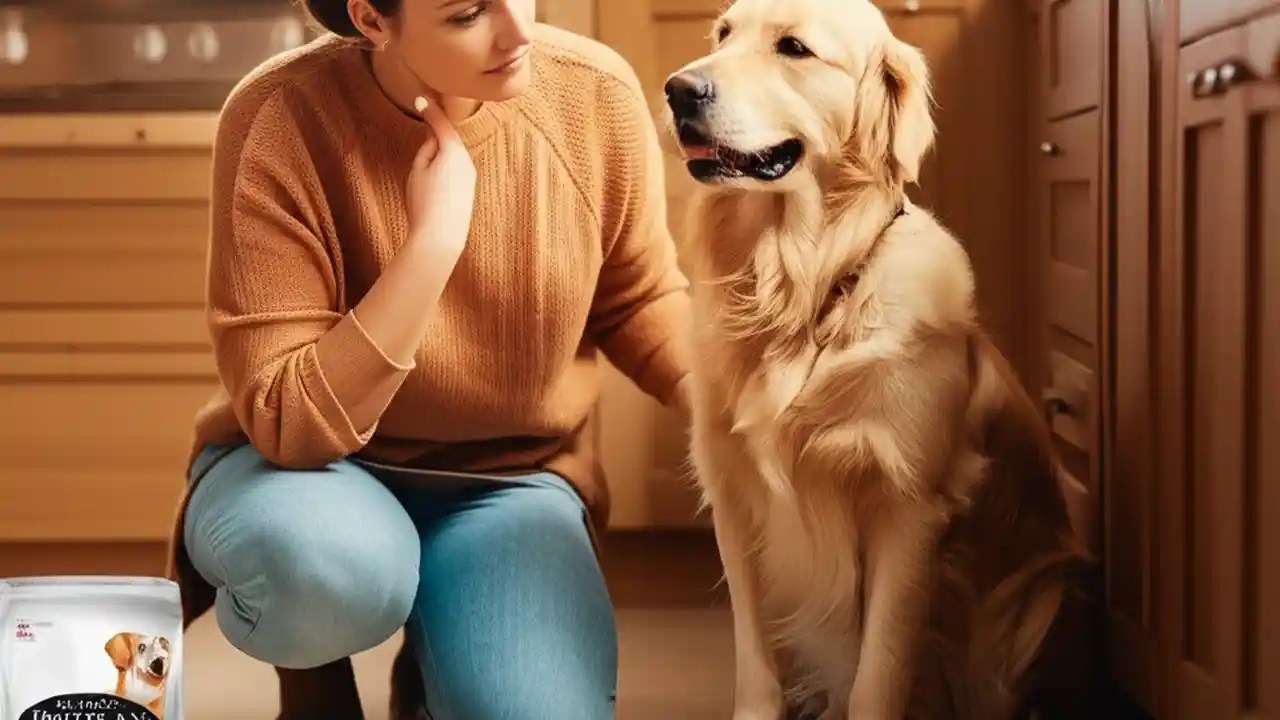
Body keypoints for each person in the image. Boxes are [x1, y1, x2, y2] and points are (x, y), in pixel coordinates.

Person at [164, 0, 692, 717]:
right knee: (324, 574)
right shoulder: (278, 115)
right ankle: (313, 674)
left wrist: (731, 400)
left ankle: (436, 652)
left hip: (509, 482)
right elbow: (289, 421)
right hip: (310, 475)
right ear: (372, 19)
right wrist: (433, 244)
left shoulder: (593, 92)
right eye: (469, 12)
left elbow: (636, 297)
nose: (520, 30)